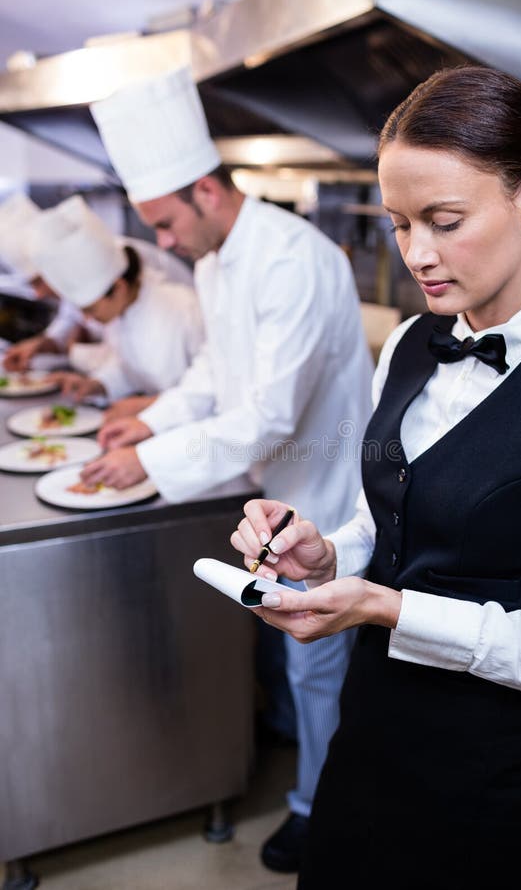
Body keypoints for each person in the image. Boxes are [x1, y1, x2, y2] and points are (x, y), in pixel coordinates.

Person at [231, 65, 521, 890]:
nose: (417, 256)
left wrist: (386, 608)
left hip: (510, 780)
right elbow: (384, 522)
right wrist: (326, 556)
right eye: (399, 225)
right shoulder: (407, 343)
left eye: (444, 220)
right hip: (375, 738)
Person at [87, 66, 374, 871]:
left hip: (323, 492)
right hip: (269, 490)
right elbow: (216, 373)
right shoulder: (216, 260)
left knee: (317, 663)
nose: (164, 246)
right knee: (287, 655)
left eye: (165, 224)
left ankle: (319, 808)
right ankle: (297, 747)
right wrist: (149, 417)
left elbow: (269, 415)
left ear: (206, 191)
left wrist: (145, 456)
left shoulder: (292, 261)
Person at [27, 194, 203, 408]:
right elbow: (130, 369)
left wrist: (146, 406)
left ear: (119, 288)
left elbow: (210, 390)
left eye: (90, 309)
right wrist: (97, 385)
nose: (86, 318)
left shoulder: (185, 309)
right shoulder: (122, 315)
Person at [0, 192, 105, 370]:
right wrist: (40, 345)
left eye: (39, 281)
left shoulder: (106, 268)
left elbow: (127, 359)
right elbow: (69, 322)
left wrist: (77, 351)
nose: (38, 294)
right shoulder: (72, 282)